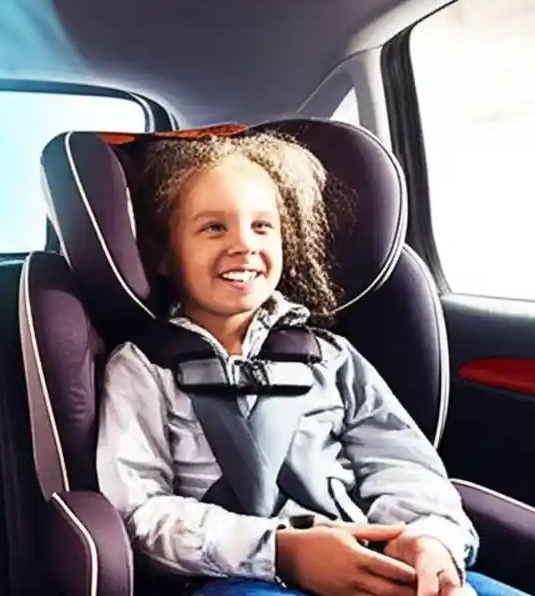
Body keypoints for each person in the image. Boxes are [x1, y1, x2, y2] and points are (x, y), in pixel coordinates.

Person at [95, 130, 527, 596]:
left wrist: (426, 539)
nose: (244, 244)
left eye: (262, 226)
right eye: (214, 228)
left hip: (371, 559)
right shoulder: (143, 368)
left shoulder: (331, 358)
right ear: (165, 254)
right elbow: (140, 510)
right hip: (236, 576)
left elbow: (402, 464)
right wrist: (280, 551)